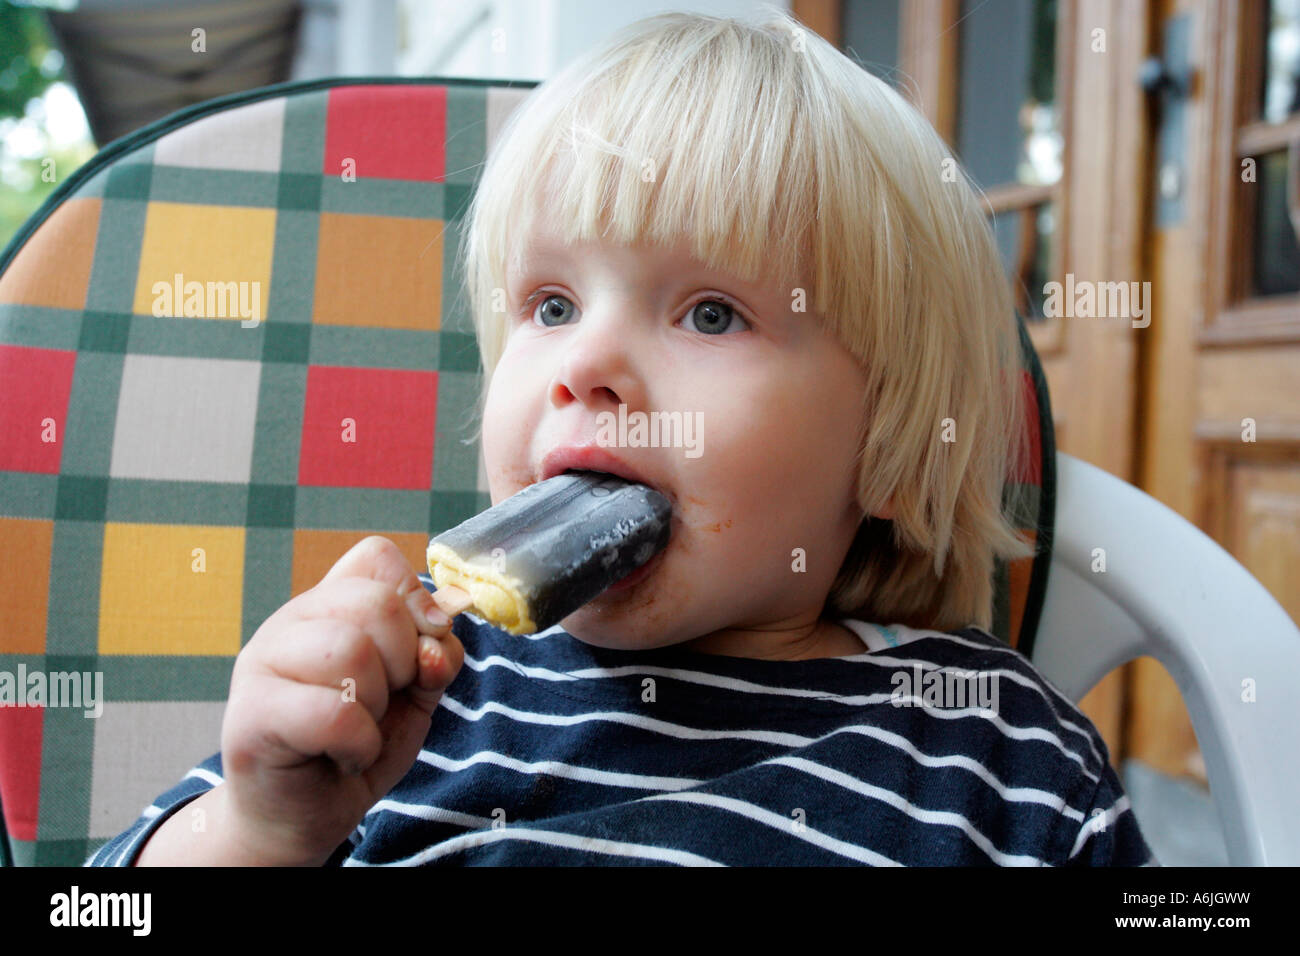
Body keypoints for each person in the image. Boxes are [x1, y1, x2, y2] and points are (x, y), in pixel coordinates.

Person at [87, 6, 1156, 866]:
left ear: (887, 443)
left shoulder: (994, 745)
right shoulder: (407, 694)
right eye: (549, 305)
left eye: (709, 313)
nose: (581, 363)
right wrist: (262, 830)